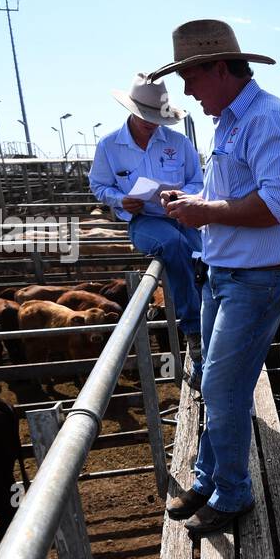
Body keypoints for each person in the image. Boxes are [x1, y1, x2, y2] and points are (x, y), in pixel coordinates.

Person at [149, 19, 280, 538]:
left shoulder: (270, 120)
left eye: (191, 77)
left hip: (256, 277)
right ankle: (208, 478)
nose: (187, 91)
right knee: (216, 383)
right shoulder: (234, 122)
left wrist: (208, 213)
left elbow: (278, 203)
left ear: (220, 69)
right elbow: (241, 195)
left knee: (220, 384)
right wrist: (200, 206)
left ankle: (233, 493)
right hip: (226, 272)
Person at [88, 74, 204, 388]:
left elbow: (197, 180)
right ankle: (195, 334)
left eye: (156, 118)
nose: (151, 123)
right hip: (144, 220)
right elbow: (98, 185)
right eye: (145, 117)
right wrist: (120, 199)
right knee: (174, 245)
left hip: (181, 214)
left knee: (204, 258)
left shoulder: (178, 143)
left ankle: (211, 333)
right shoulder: (110, 146)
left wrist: (182, 195)